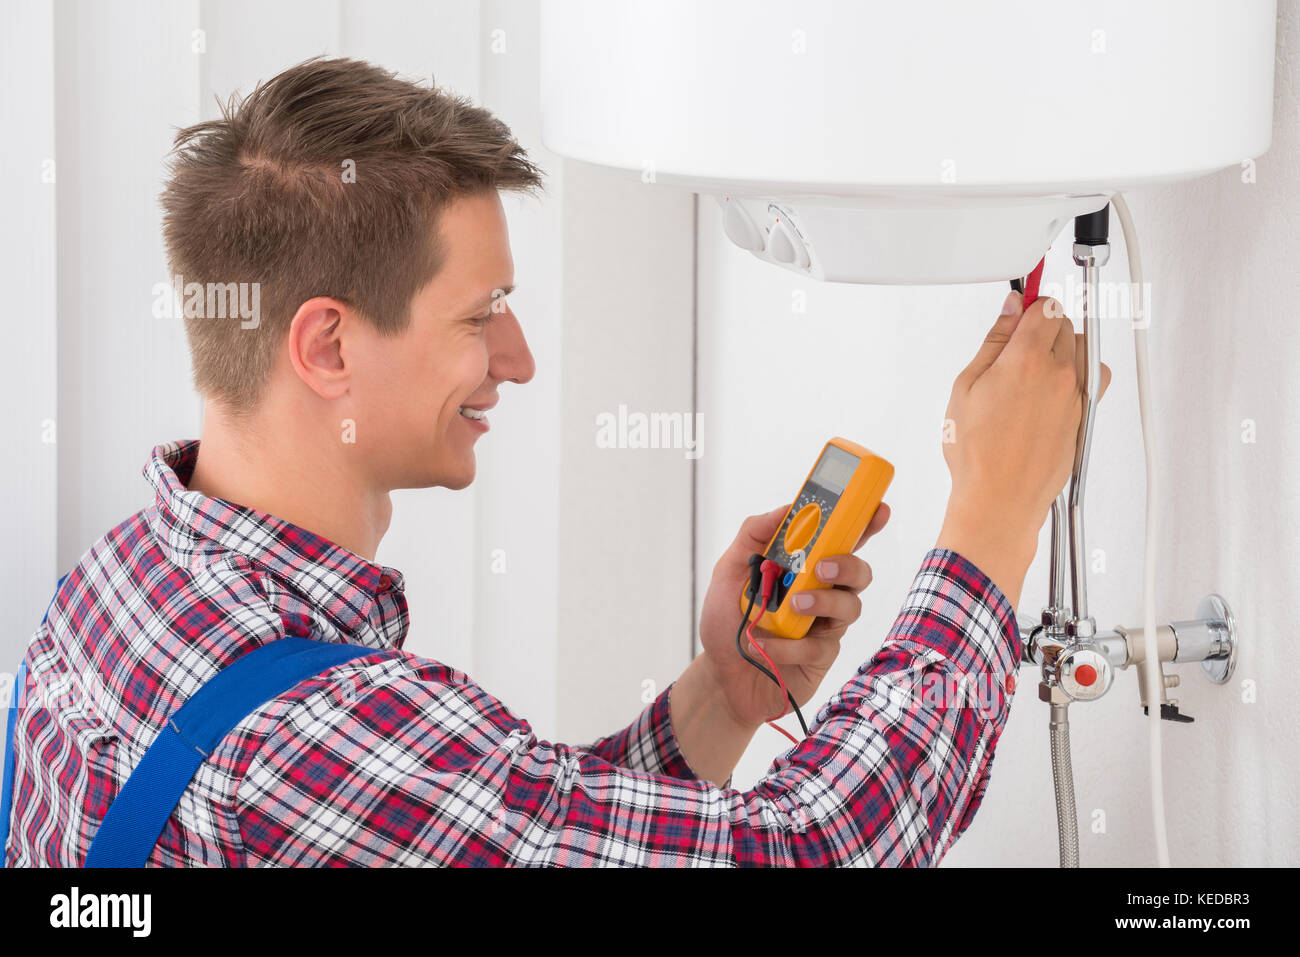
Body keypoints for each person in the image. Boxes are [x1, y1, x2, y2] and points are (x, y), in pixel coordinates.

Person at [4, 56, 1109, 867]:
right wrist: (990, 524)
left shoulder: (120, 588)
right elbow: (808, 852)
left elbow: (503, 835)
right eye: (481, 314)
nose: (518, 360)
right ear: (328, 346)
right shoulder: (318, 738)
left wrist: (718, 701)